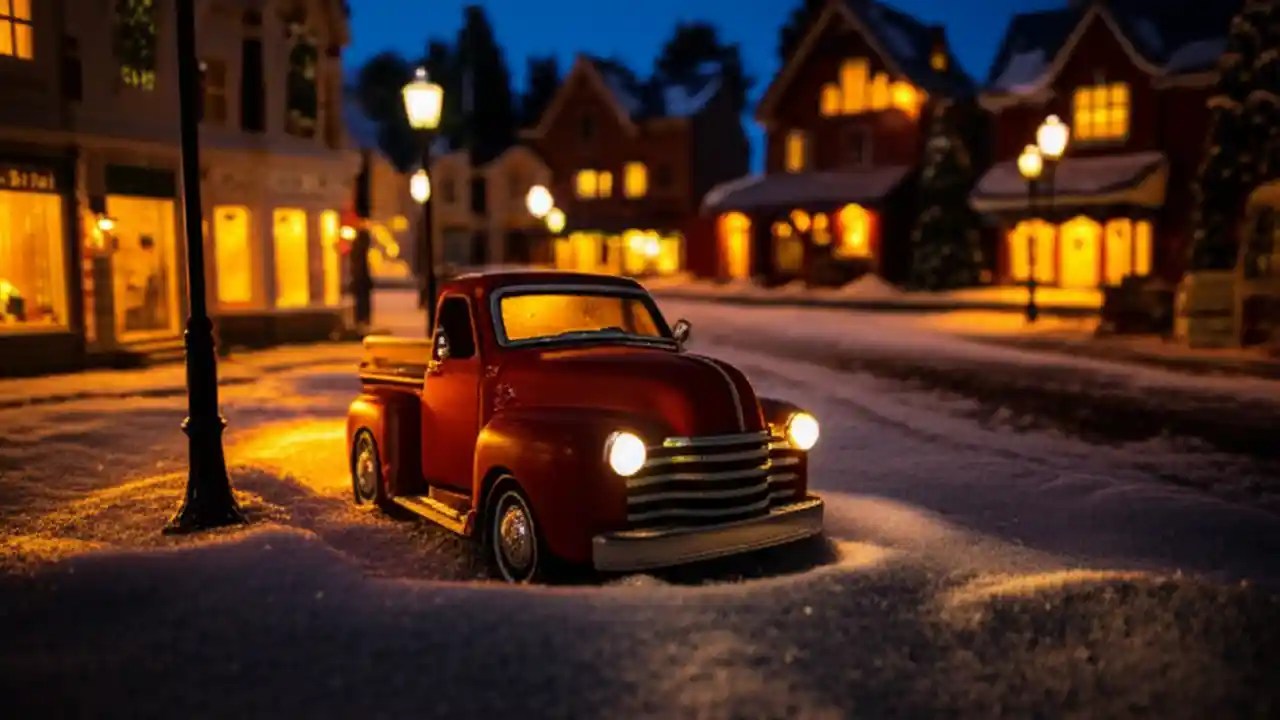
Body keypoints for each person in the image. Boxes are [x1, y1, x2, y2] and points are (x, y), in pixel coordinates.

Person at [349, 223, 373, 334]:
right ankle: (362, 320)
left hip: (360, 281)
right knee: (362, 302)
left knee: (361, 302)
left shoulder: (358, 248)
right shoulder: (360, 249)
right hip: (361, 281)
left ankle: (361, 320)